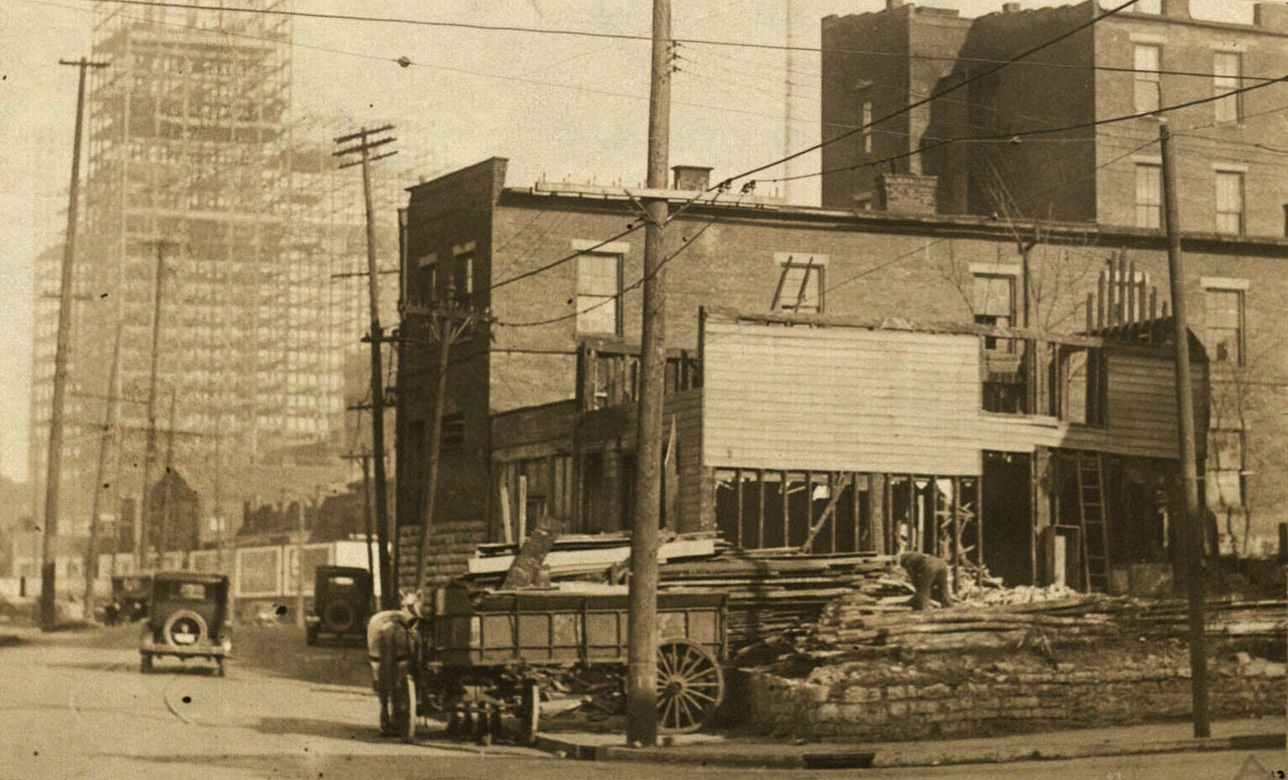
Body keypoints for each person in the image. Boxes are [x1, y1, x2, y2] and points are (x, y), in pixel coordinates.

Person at [366, 591, 421, 736]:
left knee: (380, 673)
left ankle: (384, 715)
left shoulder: (377, 619)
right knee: (401, 676)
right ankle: (397, 715)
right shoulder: (412, 619)